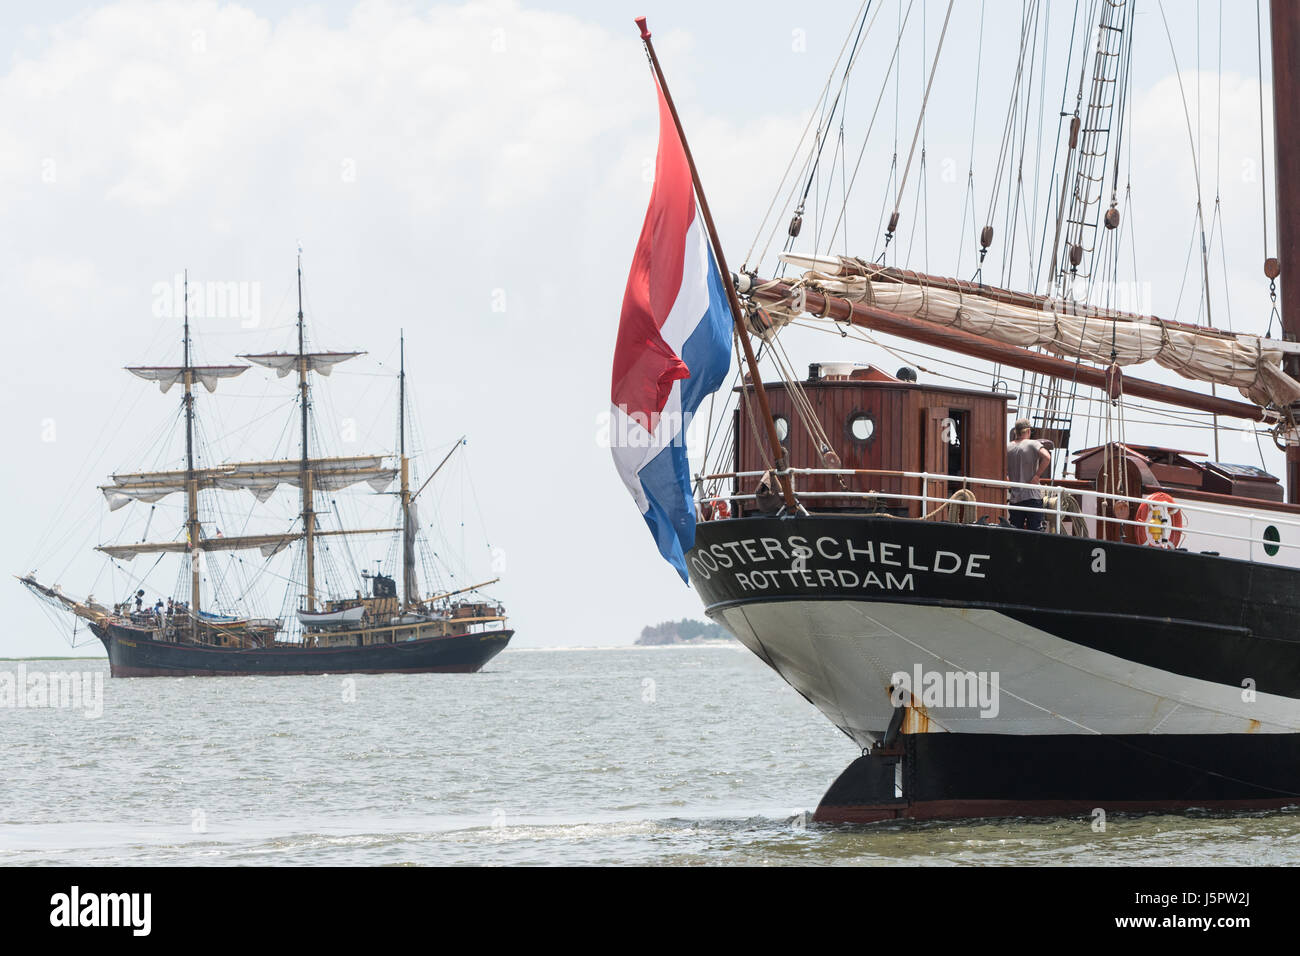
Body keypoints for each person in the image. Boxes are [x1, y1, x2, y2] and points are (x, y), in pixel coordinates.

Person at [1006, 418, 1051, 531]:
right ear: (1028, 431)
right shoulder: (1033, 444)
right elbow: (1047, 457)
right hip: (1032, 496)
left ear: (1015, 431)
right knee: (1035, 533)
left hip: (1015, 498)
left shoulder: (1007, 447)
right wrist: (1037, 476)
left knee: (1016, 532)